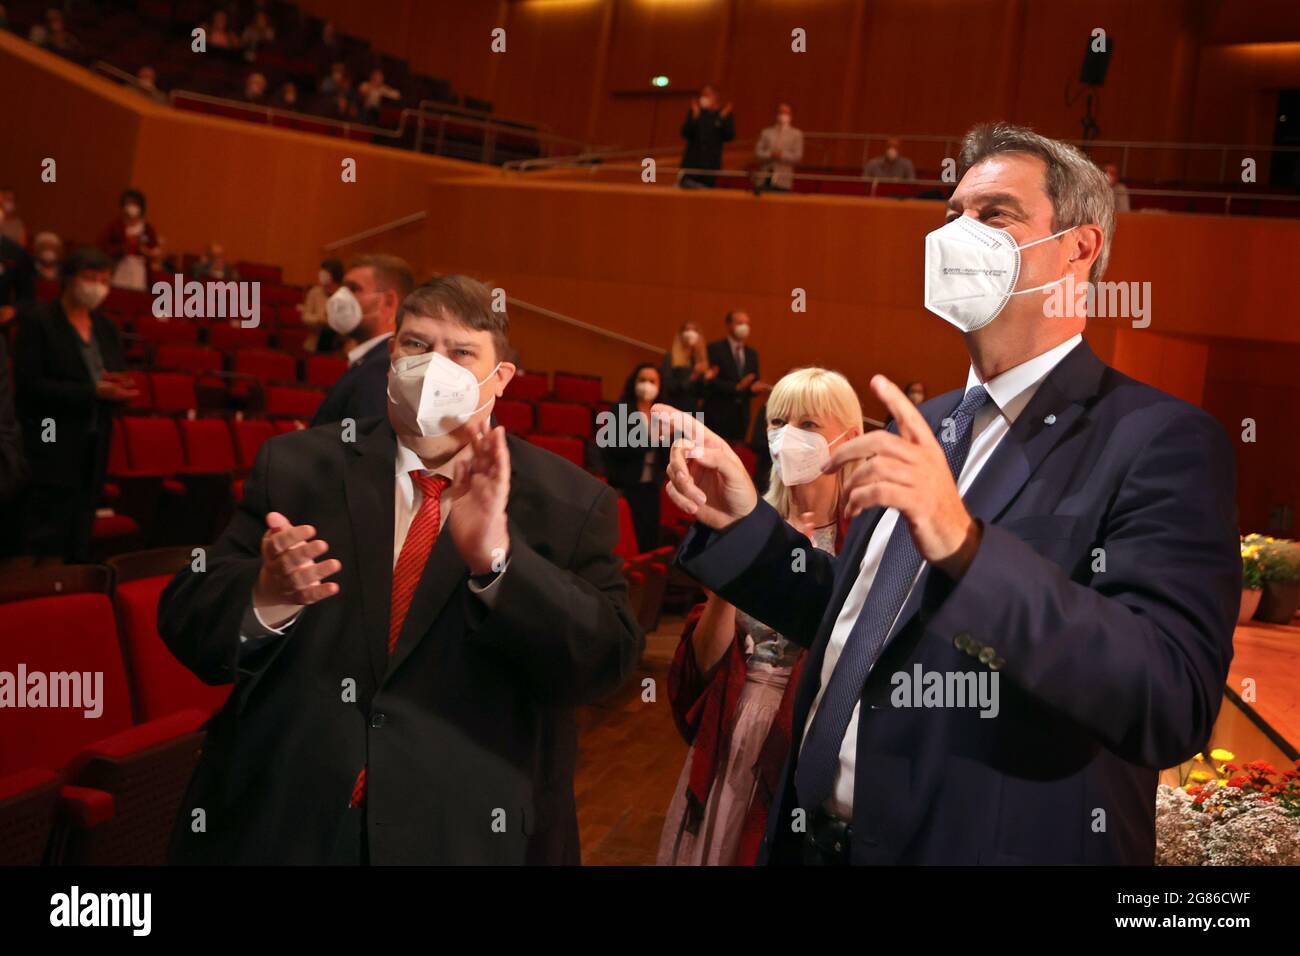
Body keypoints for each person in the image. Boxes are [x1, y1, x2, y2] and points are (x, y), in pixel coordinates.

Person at [658, 122, 1239, 865]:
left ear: (1080, 248)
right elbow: (859, 619)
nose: (956, 234)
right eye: (950, 214)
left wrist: (967, 547)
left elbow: (1168, 697)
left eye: (993, 214)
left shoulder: (1158, 440)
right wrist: (745, 524)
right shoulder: (928, 426)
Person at [157, 274, 641, 864]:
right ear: (391, 355)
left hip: (458, 833)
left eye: (461, 351)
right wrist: (265, 594)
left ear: (501, 378)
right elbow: (187, 615)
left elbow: (604, 662)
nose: (435, 365)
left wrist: (498, 564)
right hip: (287, 820)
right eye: (417, 345)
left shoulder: (571, 500)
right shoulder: (298, 464)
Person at [659, 367, 862, 865]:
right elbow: (700, 672)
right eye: (778, 421)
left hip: (808, 740)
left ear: (850, 440)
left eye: (809, 424)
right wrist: (734, 578)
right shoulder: (745, 525)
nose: (788, 435)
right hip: (732, 730)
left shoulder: (867, 539)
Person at [13, 247, 138, 562]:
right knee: (47, 517)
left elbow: (113, 372)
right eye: (90, 278)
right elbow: (29, 385)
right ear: (69, 279)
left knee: (82, 521)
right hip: (50, 430)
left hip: (94, 437)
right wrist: (91, 391)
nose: (98, 286)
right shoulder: (39, 320)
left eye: (105, 280)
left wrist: (118, 387)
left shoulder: (105, 327)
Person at [310, 254, 416, 426]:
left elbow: (358, 442)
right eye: (343, 288)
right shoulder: (371, 360)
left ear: (388, 302)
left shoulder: (382, 366)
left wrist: (316, 444)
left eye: (353, 289)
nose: (340, 298)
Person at [602, 363, 668, 552]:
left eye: (652, 381)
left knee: (649, 538)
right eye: (642, 380)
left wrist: (668, 438)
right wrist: (652, 440)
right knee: (626, 539)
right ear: (634, 383)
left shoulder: (662, 414)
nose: (647, 385)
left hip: (651, 487)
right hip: (626, 485)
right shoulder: (620, 411)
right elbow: (614, 448)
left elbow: (664, 459)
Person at [703, 311, 769, 443]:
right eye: (740, 323)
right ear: (729, 325)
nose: (744, 327)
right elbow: (709, 381)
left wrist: (753, 389)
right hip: (717, 413)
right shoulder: (715, 349)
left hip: (740, 417)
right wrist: (736, 387)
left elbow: (752, 382)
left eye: (747, 323)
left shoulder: (751, 354)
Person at [100, 188, 157, 291]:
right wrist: (122, 249)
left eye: (135, 204)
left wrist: (145, 251)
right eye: (128, 203)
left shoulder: (147, 229)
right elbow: (102, 248)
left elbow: (154, 252)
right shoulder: (114, 227)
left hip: (139, 274)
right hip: (118, 270)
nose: (131, 207)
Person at [680, 85, 735, 189]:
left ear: (715, 96)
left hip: (711, 165)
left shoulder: (724, 114)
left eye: (707, 95)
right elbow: (685, 133)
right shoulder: (696, 112)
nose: (703, 98)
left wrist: (720, 119)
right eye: (702, 95)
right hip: (691, 163)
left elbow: (729, 136)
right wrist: (695, 116)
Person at [659, 320, 712, 412]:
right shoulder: (671, 357)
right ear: (680, 334)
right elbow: (668, 386)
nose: (691, 333)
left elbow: (702, 395)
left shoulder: (701, 361)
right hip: (674, 408)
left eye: (695, 330)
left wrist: (707, 379)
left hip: (694, 411)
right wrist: (693, 376)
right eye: (687, 330)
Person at [753, 103, 804, 192]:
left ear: (790, 115)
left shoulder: (796, 134)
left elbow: (797, 156)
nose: (783, 115)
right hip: (765, 177)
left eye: (786, 113)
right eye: (781, 112)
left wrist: (782, 154)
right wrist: (770, 154)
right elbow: (758, 153)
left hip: (783, 180)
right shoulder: (766, 132)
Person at [299, 258, 345, 352]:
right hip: (315, 343)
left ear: (334, 275)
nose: (320, 275)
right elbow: (305, 316)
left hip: (338, 347)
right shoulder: (315, 292)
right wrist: (320, 319)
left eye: (325, 272)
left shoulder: (346, 295)